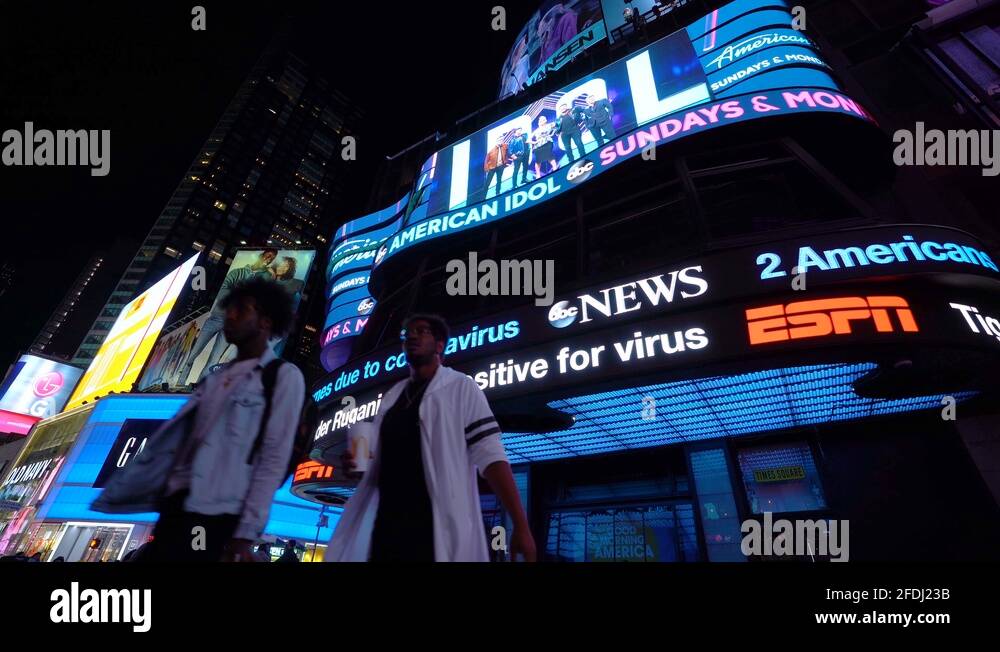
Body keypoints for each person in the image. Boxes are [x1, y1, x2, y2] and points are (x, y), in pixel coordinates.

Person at [91, 277, 306, 562]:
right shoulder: (213, 379)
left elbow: (273, 457)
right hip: (176, 505)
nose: (229, 316)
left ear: (266, 321)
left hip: (216, 512)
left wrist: (245, 533)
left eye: (241, 310)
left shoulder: (282, 376)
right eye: (229, 308)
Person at [326, 314, 536, 562]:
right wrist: (358, 467)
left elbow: (491, 454)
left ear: (439, 345)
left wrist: (521, 525)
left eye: (421, 331)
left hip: (432, 534)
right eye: (407, 334)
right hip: (384, 531)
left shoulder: (461, 387)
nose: (411, 336)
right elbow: (381, 465)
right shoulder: (392, 398)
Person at [178, 248, 278, 385]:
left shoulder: (263, 278)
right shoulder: (238, 272)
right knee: (193, 353)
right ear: (261, 256)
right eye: (268, 256)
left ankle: (199, 388)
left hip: (234, 325)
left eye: (271, 259)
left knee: (214, 360)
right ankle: (180, 381)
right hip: (217, 318)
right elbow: (223, 292)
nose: (269, 259)